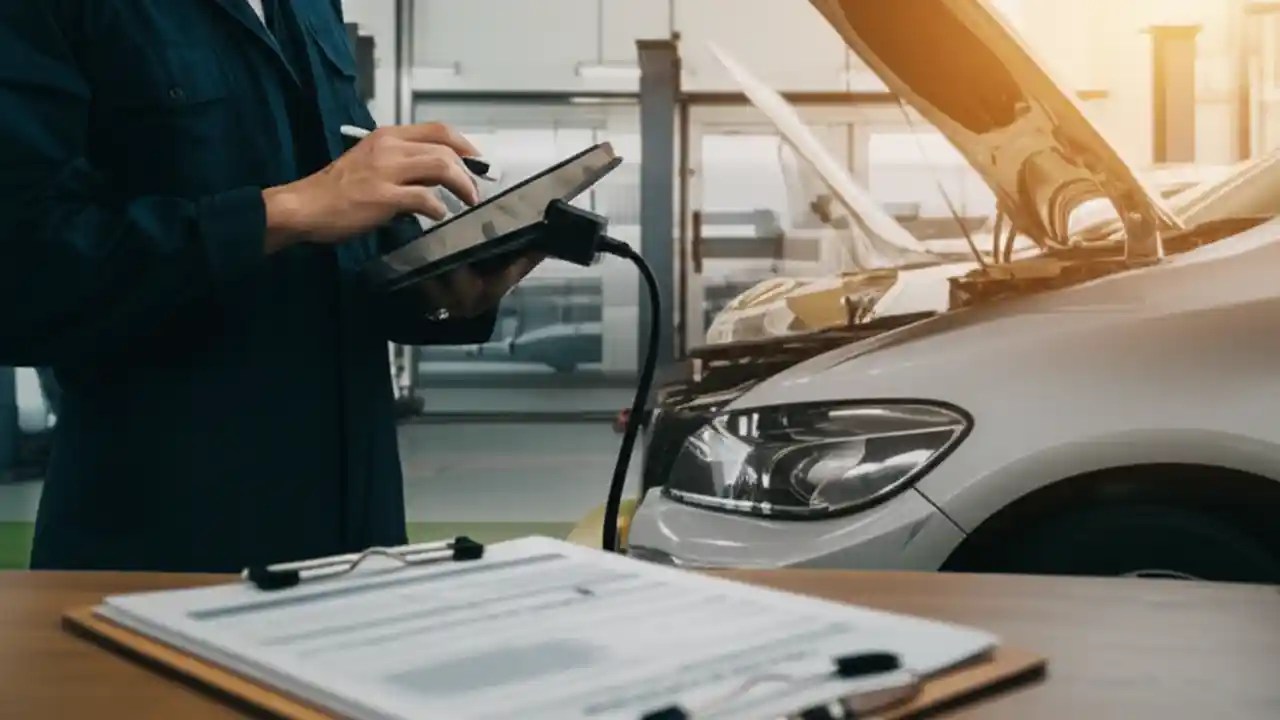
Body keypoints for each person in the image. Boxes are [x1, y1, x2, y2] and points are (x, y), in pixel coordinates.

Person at [0, 0, 542, 571]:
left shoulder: (312, 9)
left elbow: (338, 244)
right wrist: (279, 213)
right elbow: (21, 272)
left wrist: (440, 289)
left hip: (359, 545)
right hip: (167, 549)